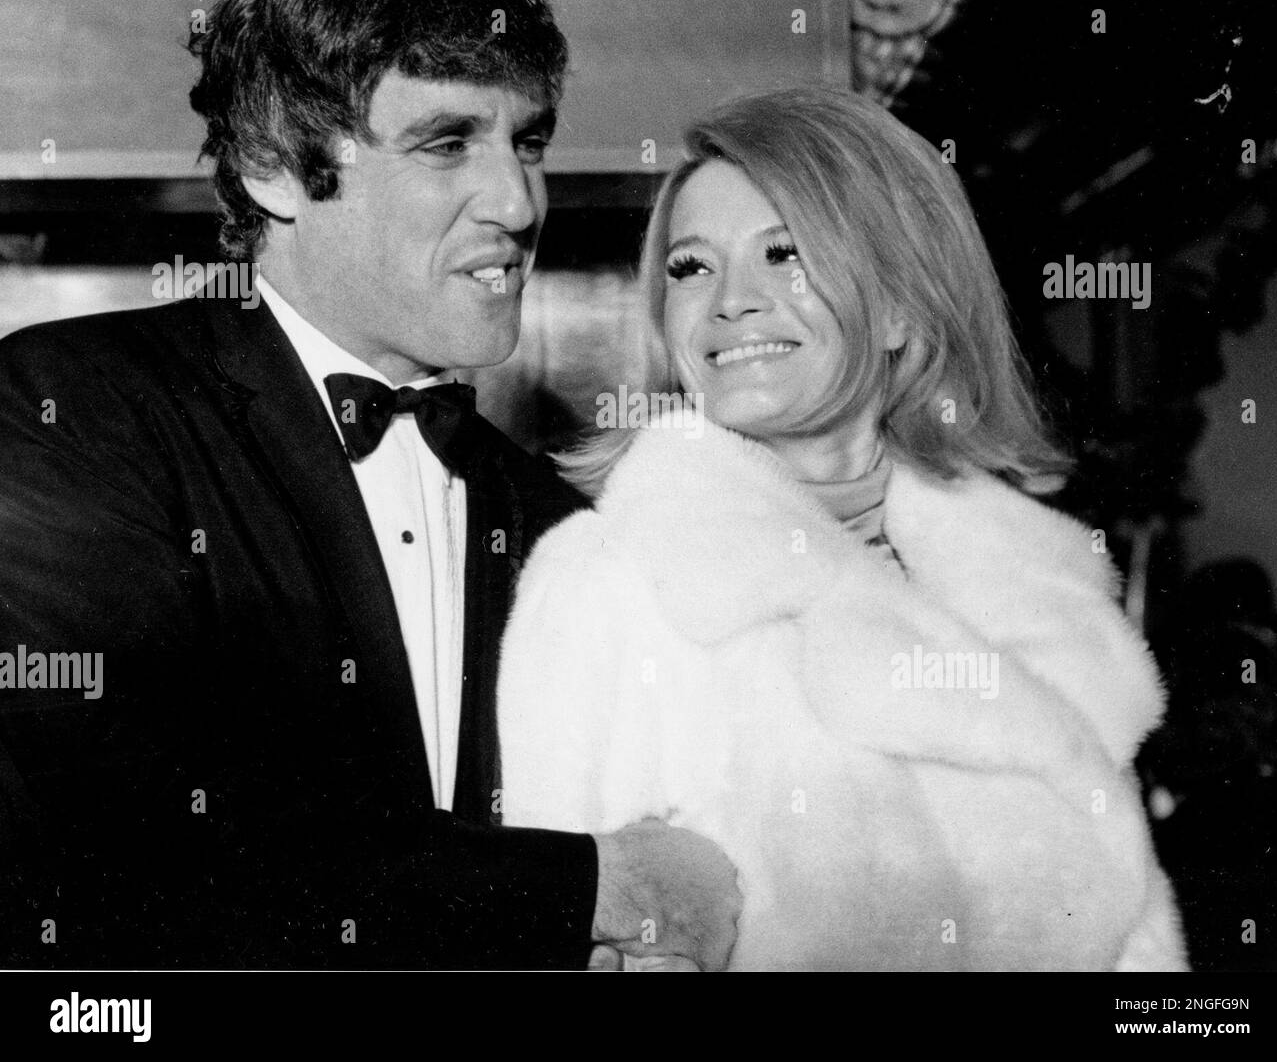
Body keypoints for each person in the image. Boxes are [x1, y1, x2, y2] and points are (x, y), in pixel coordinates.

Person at [0, 0, 739, 971]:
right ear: (273, 167)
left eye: (527, 140)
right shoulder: (75, 409)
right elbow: (122, 854)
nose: (520, 199)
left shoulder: (559, 523)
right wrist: (596, 888)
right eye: (448, 142)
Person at [497, 85, 1187, 970]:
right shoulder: (610, 583)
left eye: (784, 253)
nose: (730, 301)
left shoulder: (1042, 588)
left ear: (902, 302)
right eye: (690, 266)